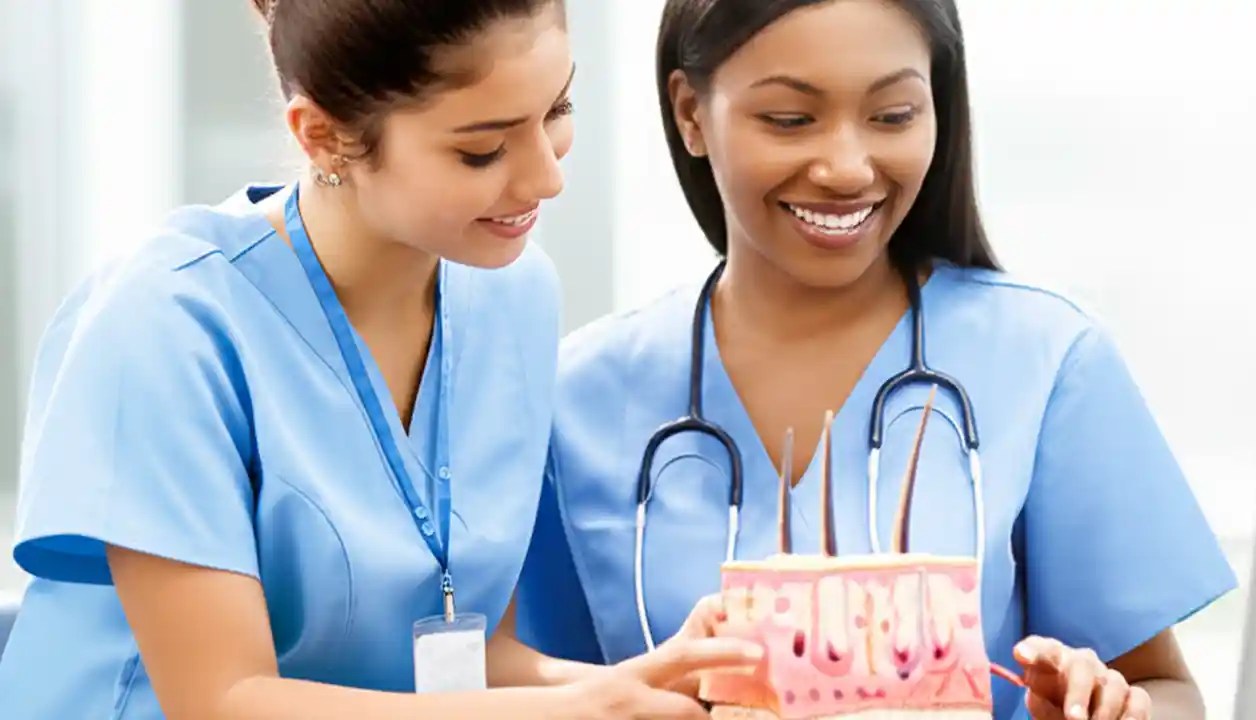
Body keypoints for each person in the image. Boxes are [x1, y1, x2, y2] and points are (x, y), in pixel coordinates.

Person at [0, 1, 761, 718]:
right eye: (483, 149)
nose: (546, 177)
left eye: (557, 112)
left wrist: (645, 686)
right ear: (322, 135)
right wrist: (573, 709)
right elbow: (223, 699)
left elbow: (470, 657)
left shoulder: (514, 295)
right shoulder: (167, 323)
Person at [516, 1, 1237, 719]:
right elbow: (528, 695)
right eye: (791, 120)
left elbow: (1167, 692)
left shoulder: (1045, 359)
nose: (846, 168)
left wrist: (1108, 710)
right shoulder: (573, 401)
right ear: (691, 114)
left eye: (892, 116)